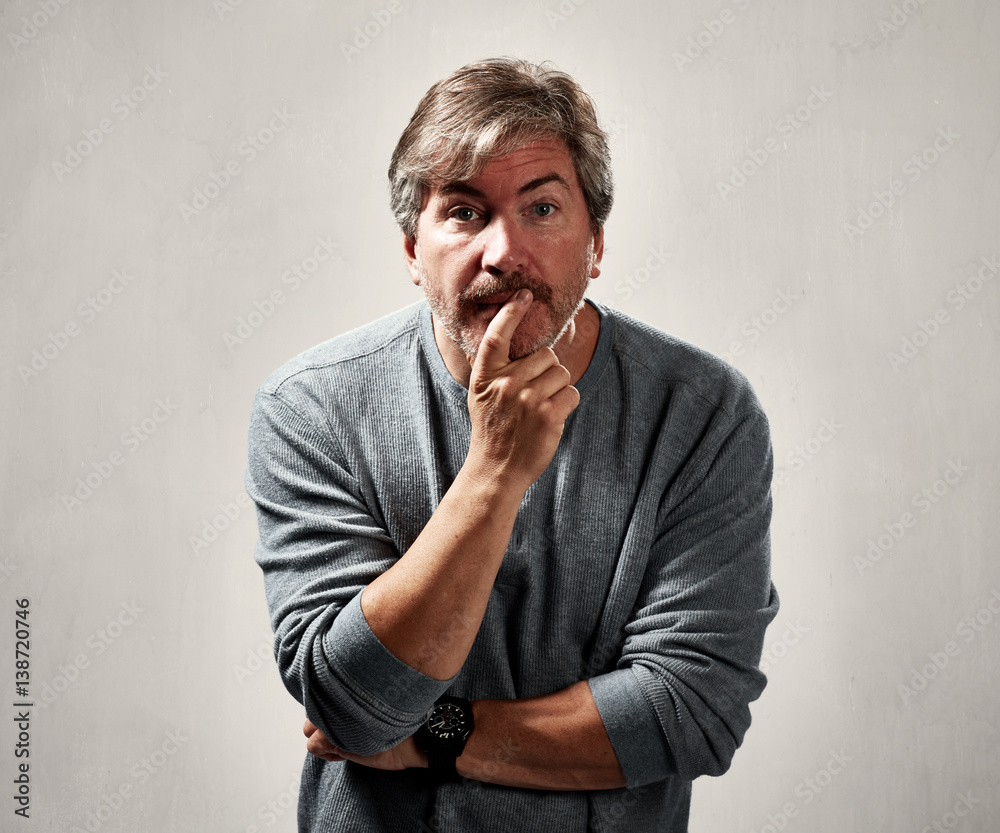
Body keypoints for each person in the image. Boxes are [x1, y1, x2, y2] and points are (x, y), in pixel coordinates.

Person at [246, 57, 778, 833]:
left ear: (596, 244)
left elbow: (691, 711)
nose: (503, 252)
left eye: (542, 208)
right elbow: (353, 707)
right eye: (464, 212)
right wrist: (495, 470)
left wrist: (432, 735)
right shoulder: (311, 408)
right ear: (411, 250)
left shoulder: (703, 412)